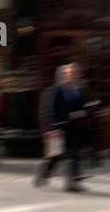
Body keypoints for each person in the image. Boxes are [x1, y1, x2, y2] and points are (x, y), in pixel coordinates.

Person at [34, 63, 87, 192]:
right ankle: (44, 173)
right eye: (69, 73)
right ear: (62, 75)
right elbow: (48, 111)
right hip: (57, 129)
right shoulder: (54, 90)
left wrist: (83, 113)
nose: (72, 75)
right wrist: (51, 129)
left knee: (72, 155)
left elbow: (81, 109)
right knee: (55, 156)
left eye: (74, 73)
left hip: (72, 129)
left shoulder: (75, 91)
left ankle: (71, 183)